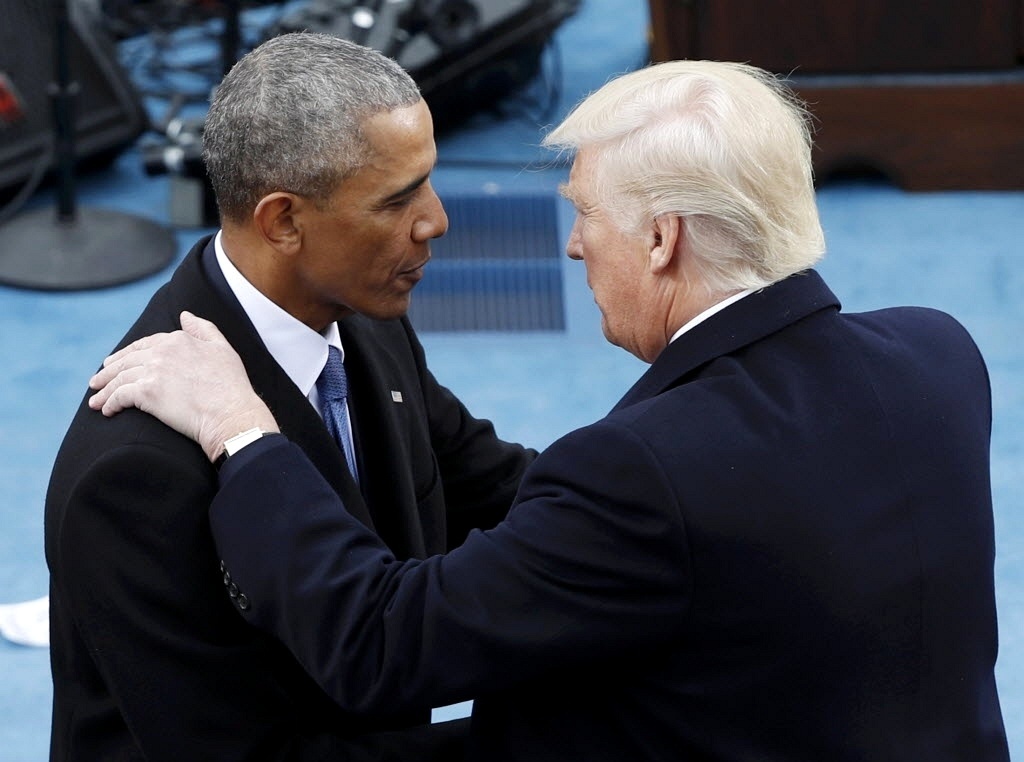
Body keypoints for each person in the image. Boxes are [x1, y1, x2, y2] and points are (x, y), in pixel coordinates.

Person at [89, 60, 1010, 761]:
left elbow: (383, 644)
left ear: (661, 241)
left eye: (584, 215)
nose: (571, 247)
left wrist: (243, 435)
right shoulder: (939, 356)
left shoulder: (648, 472)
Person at [44, 32, 535, 761]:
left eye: (427, 182)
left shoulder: (363, 324)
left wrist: (669, 526)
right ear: (283, 221)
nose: (436, 220)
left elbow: (495, 489)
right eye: (398, 199)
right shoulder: (134, 472)